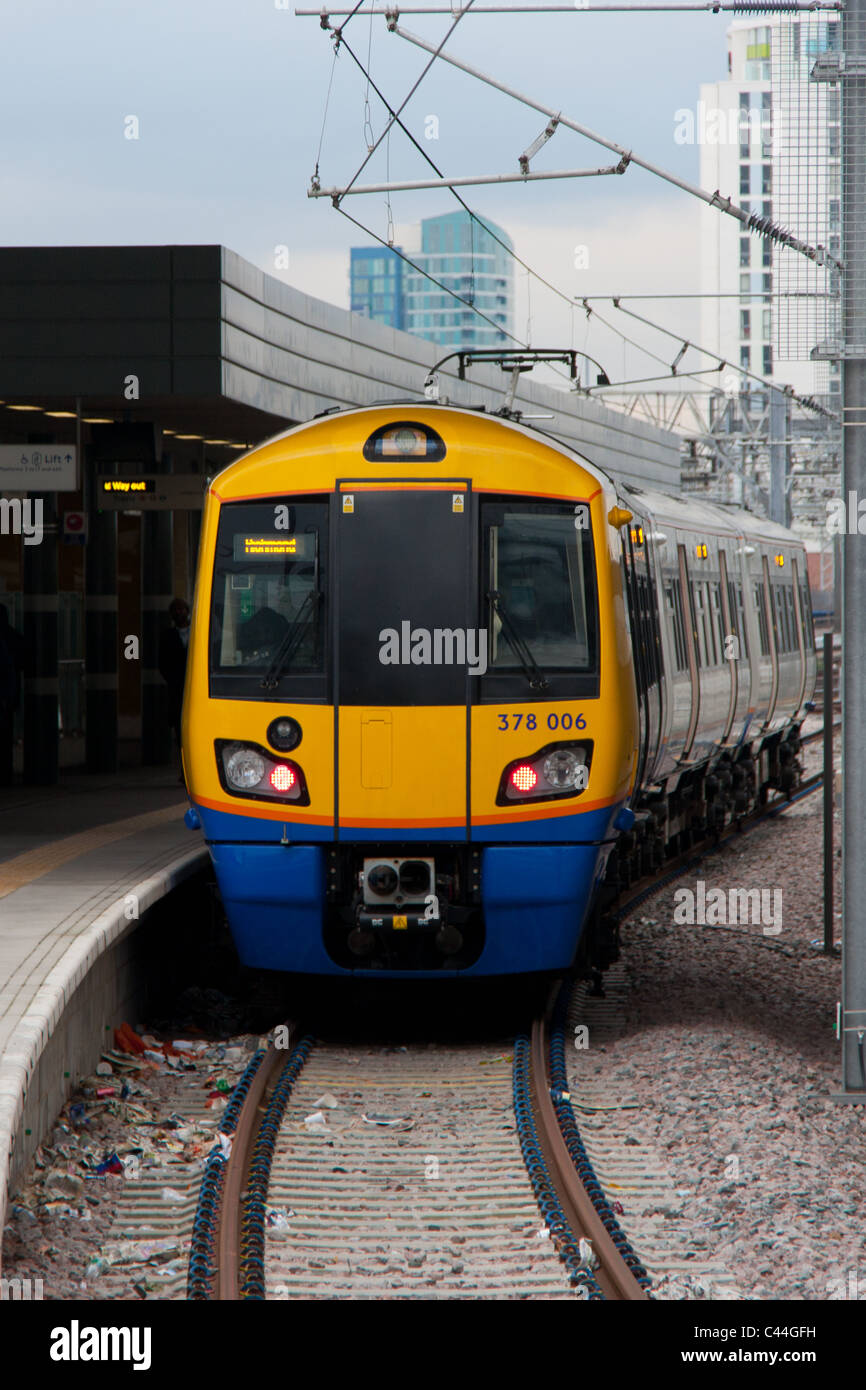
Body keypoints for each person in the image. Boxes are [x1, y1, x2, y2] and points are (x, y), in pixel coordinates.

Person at [158, 597, 190, 758]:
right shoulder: (167, 636)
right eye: (176, 610)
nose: (179, 612)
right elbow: (162, 662)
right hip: (177, 688)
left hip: (193, 687)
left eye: (181, 609)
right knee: (179, 728)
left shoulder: (198, 632)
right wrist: (173, 679)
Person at [0, 605, 26, 787]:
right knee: (5, 739)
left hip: (5, 696)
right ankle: (5, 774)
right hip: (7, 698)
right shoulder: (13, 636)